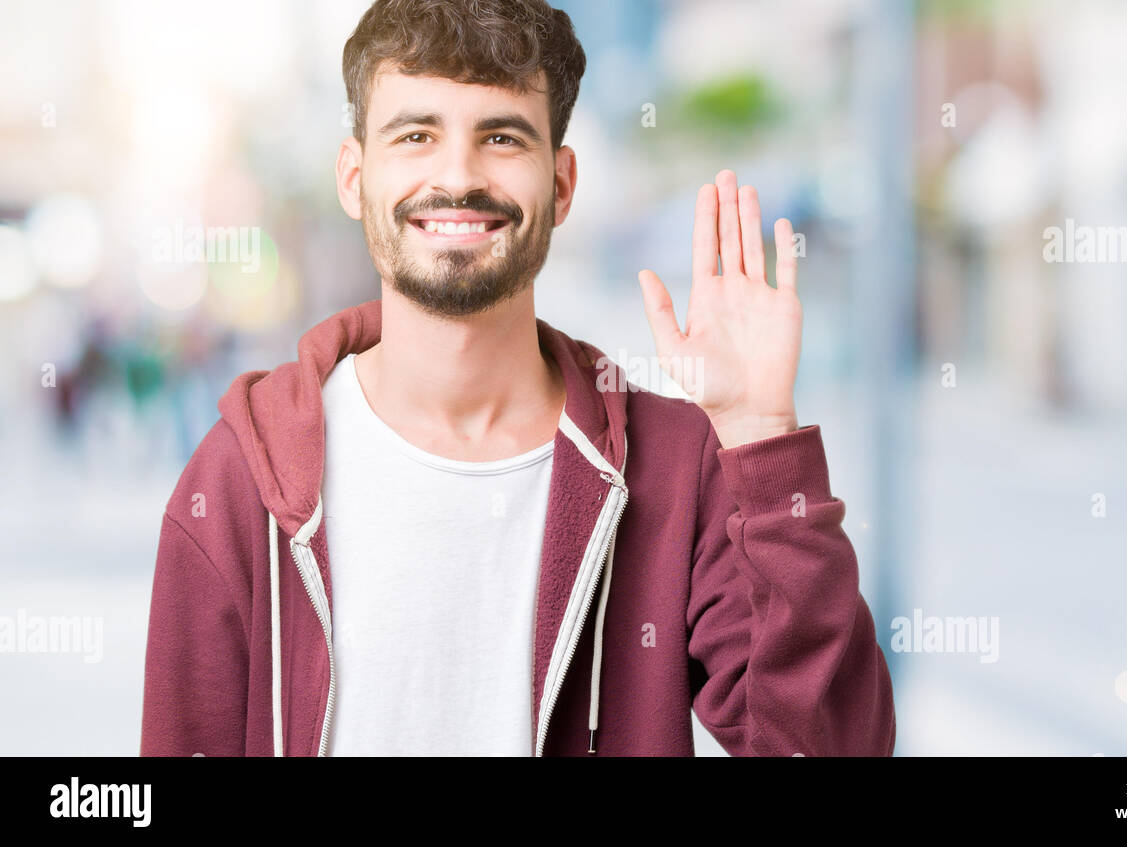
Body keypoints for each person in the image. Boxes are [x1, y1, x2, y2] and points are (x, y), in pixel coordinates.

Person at [139, 0, 895, 757]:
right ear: (353, 176)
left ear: (562, 184)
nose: (458, 177)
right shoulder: (244, 475)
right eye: (416, 135)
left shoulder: (676, 468)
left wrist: (763, 437)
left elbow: (836, 745)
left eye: (501, 136)